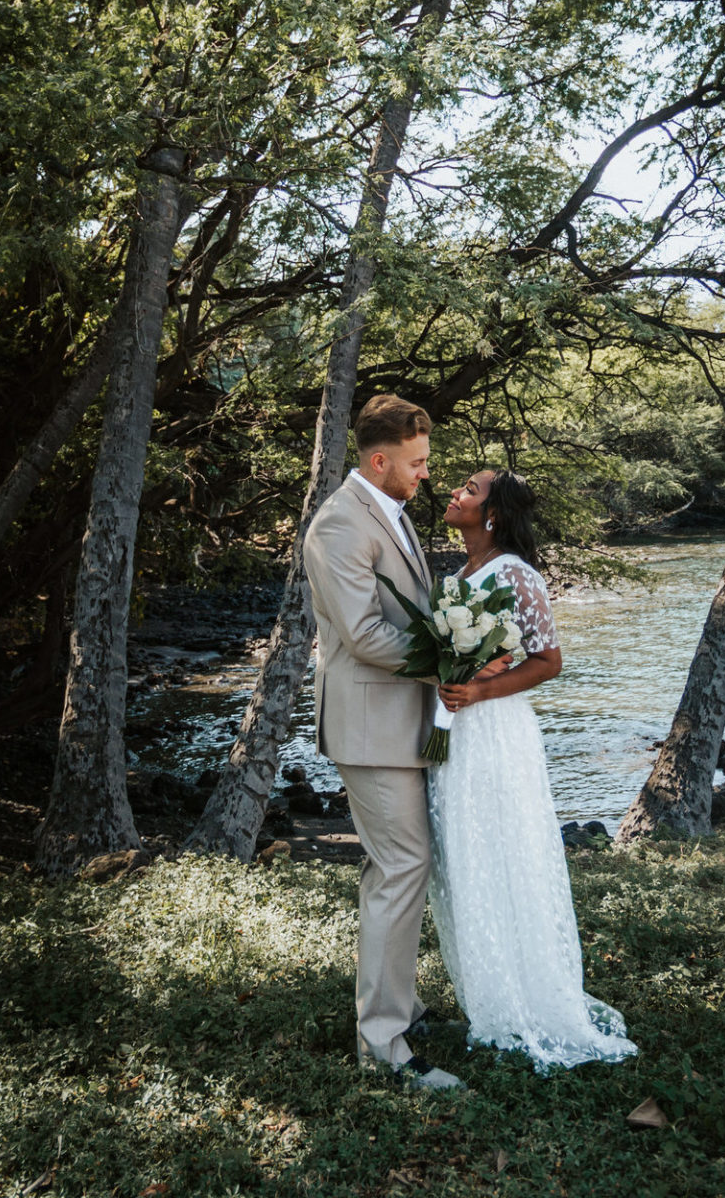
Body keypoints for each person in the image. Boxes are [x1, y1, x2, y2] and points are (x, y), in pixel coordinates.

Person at [428, 468, 639, 1071]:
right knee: (465, 853)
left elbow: (548, 662)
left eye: (469, 489)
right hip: (454, 729)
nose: (455, 493)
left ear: (491, 513)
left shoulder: (515, 573)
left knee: (503, 849)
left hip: (493, 731)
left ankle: (527, 996)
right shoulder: (459, 574)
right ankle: (487, 990)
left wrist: (479, 694)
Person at [303, 394, 464, 1090]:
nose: (426, 474)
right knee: (401, 868)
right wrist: (453, 660)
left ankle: (402, 1006)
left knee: (405, 867)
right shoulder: (340, 525)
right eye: (417, 462)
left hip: (406, 725)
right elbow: (366, 637)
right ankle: (383, 1043)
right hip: (371, 731)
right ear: (379, 460)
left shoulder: (385, 513)